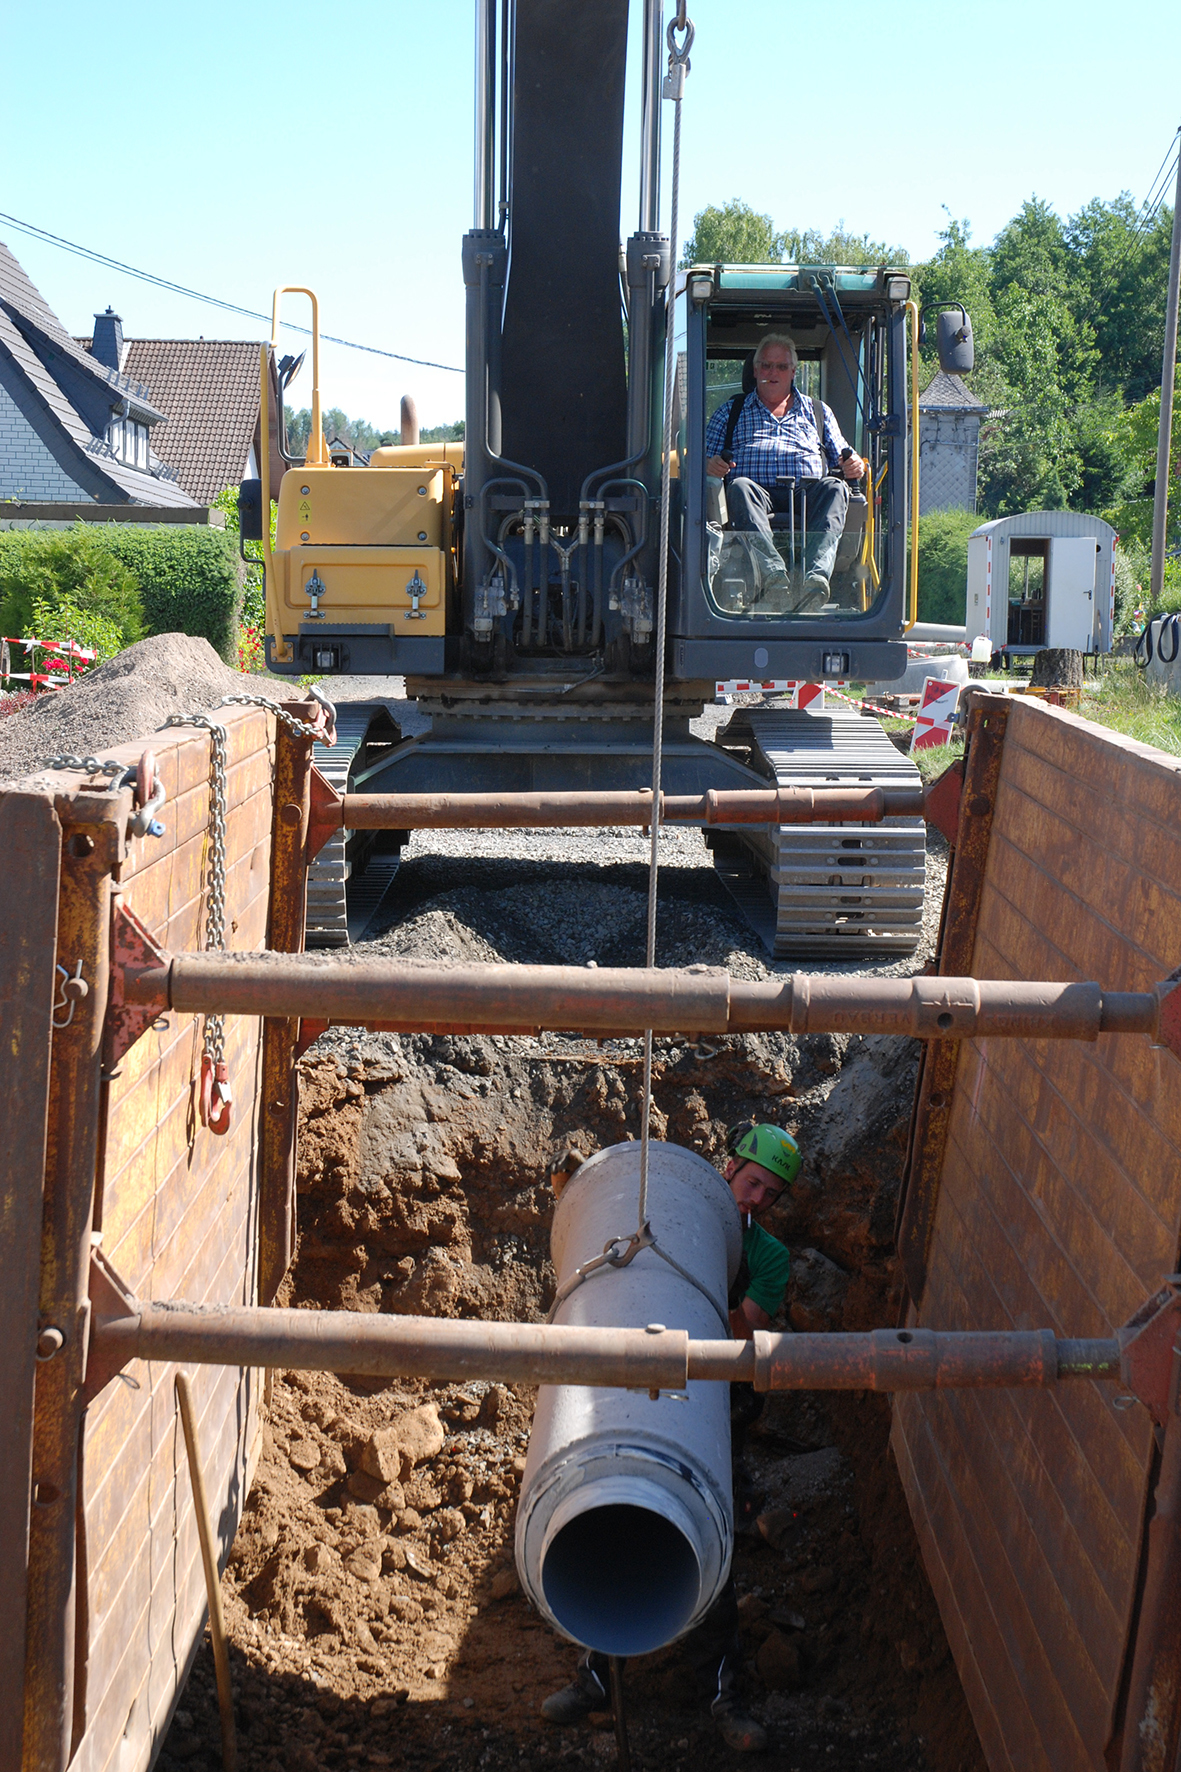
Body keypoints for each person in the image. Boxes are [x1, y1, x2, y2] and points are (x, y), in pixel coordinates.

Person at [539, 1123, 800, 1753]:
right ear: (730, 1167)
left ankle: (723, 1695)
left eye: (771, 1193)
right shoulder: (672, 1219)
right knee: (616, 1508)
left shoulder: (767, 1258)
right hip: (641, 1383)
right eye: (753, 1181)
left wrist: (687, 1298)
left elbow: (741, 1326)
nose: (756, 1199)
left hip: (717, 1405)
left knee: (711, 1541)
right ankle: (596, 1675)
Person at [705, 332, 865, 608]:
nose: (772, 372)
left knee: (836, 487)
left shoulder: (817, 411)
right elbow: (701, 461)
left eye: (781, 366)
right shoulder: (730, 412)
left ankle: (815, 578)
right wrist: (710, 465)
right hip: (755, 495)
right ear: (755, 371)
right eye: (766, 365)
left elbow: (845, 455)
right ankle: (773, 576)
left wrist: (854, 464)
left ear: (793, 371)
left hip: (807, 494)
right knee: (739, 487)